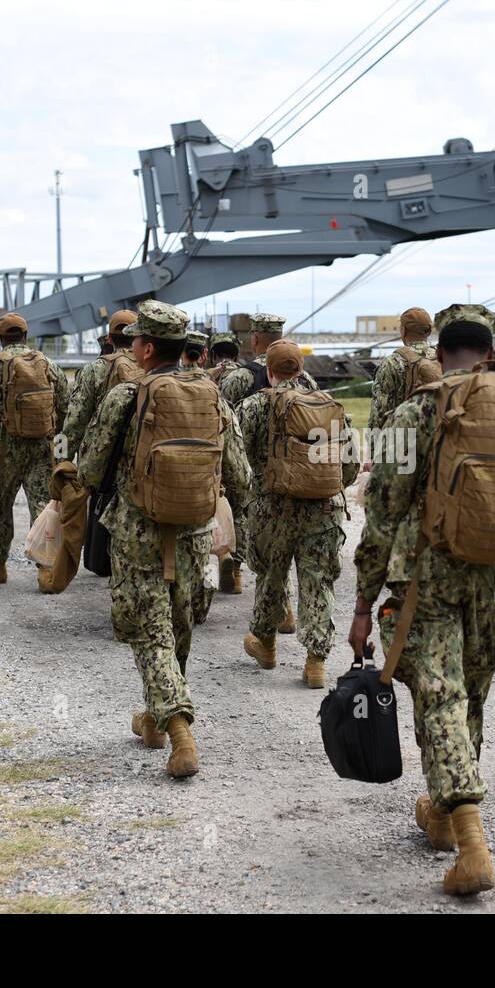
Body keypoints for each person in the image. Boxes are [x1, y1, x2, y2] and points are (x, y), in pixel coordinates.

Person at [349, 305, 495, 896]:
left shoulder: (411, 412)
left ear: (438, 356)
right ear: (489, 357)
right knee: (469, 692)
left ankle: (473, 846)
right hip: (491, 576)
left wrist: (364, 606)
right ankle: (442, 819)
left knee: (439, 697)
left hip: (425, 580)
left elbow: (381, 519)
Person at [77, 299, 251, 777]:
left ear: (148, 347)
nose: (132, 348)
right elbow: (240, 474)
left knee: (150, 634)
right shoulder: (215, 396)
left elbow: (90, 468)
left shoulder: (127, 396)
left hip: (139, 536)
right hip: (196, 531)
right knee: (177, 631)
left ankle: (179, 732)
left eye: (135, 341)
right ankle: (156, 721)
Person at [237, 340, 358, 687]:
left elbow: (237, 457)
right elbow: (348, 464)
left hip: (274, 508)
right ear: (301, 371)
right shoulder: (329, 405)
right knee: (318, 580)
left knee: (272, 576)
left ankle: (266, 643)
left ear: (270, 372)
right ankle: (316, 662)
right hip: (324, 508)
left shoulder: (254, 406)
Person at [0, 313, 70, 584]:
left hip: (4, 449)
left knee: (0, 503)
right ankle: (46, 571)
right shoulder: (48, 365)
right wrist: (61, 449)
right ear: (25, 335)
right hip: (43, 447)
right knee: (43, 505)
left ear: (1, 339)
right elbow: (66, 407)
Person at [216, 314, 318, 596]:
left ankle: (235, 568)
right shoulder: (305, 379)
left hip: (254, 472)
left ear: (255, 339)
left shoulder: (238, 377)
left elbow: (226, 425)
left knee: (240, 514)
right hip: (298, 470)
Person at [57, 309, 140, 462]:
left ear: (109, 338)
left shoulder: (93, 370)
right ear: (138, 336)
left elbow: (73, 424)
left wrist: (59, 460)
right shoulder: (151, 367)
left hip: (100, 462)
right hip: (141, 462)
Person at [367, 306, 438, 433]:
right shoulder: (443, 358)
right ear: (428, 332)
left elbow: (379, 414)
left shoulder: (391, 362)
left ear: (403, 331)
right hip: (437, 439)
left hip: (403, 440)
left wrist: (374, 448)